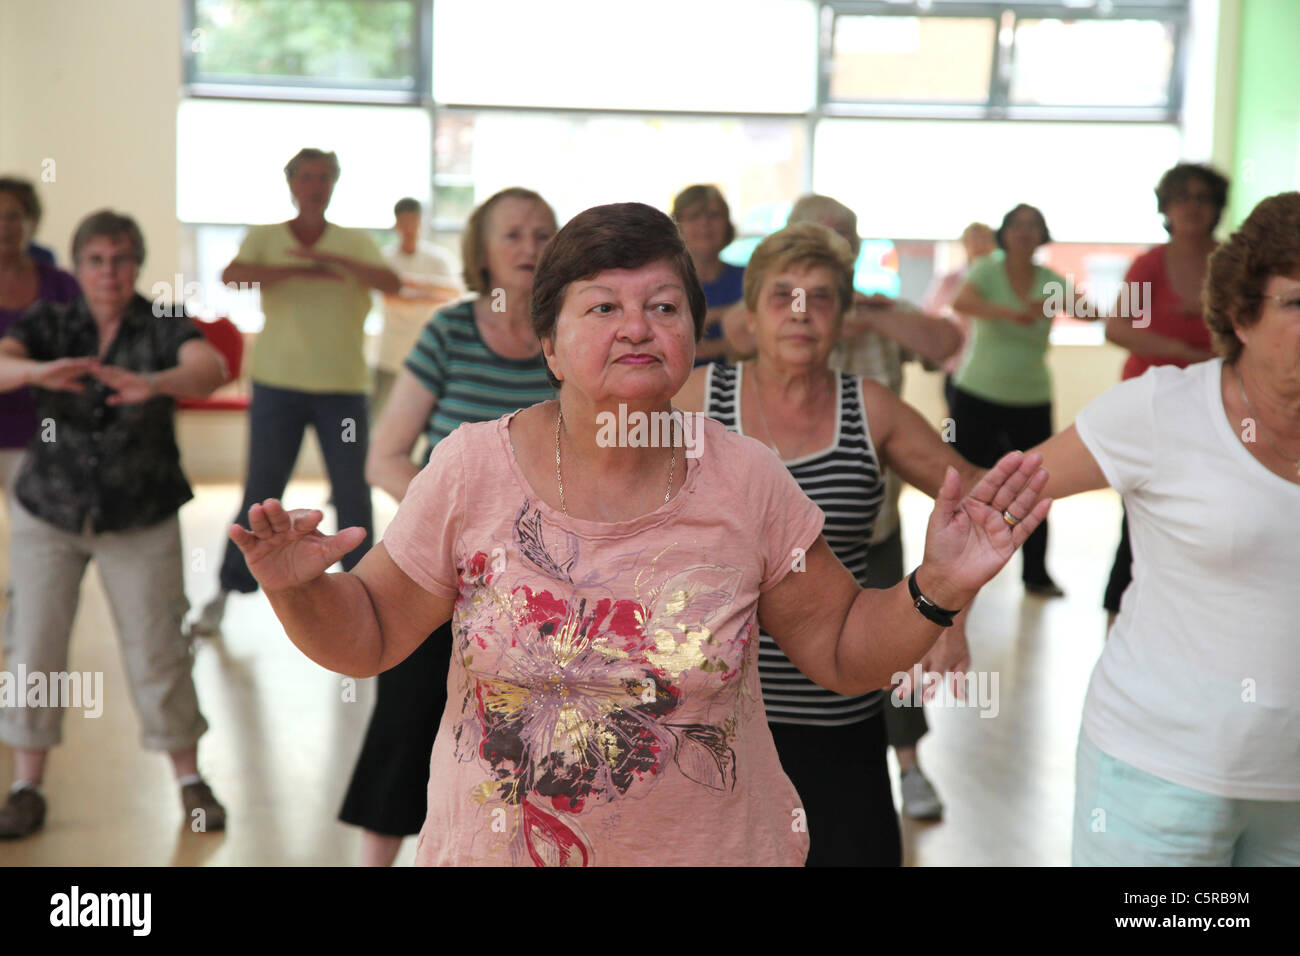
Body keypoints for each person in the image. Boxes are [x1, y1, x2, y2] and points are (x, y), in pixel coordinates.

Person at [227, 201, 1050, 866]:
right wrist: (298, 590)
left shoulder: (747, 478)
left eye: (663, 307)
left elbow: (840, 648)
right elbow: (369, 633)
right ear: (549, 346)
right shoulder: (471, 468)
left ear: (691, 333)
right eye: (603, 307)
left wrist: (939, 586)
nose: (637, 327)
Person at [674, 222, 981, 864]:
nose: (800, 311)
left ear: (843, 319)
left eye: (820, 297)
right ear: (750, 316)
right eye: (781, 295)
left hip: (840, 712)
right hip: (714, 720)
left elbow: (977, 503)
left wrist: (949, 612)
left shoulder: (869, 408)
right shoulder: (701, 401)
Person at [1025, 191, 1300, 865]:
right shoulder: (1159, 411)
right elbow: (1000, 503)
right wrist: (941, 616)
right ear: (1241, 315)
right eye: (1298, 303)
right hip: (1159, 780)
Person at [340, 187, 557, 866]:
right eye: (513, 234)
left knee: (531, 747)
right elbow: (384, 457)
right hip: (441, 573)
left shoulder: (569, 340)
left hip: (544, 585)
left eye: (543, 234)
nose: (529, 247)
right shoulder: (450, 331)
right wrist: (462, 527)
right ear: (482, 252)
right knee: (405, 724)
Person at [0, 210, 229, 838]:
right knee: (34, 647)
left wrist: (155, 383)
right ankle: (26, 787)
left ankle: (190, 780)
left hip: (140, 512)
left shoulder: (162, 321)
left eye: (122, 259)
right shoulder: (49, 322)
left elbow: (211, 368)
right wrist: (36, 372)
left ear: (137, 264)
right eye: (97, 260)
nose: (109, 272)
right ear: (77, 266)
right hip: (49, 510)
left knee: (159, 646)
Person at [191, 148, 400, 636]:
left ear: (334, 184)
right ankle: (225, 590)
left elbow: (392, 283)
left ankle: (369, 598)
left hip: (343, 388)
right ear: (291, 184)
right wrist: (293, 270)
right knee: (261, 491)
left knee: (352, 491)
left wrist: (335, 261)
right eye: (306, 176)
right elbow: (230, 276)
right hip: (277, 385)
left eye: (324, 176)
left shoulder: (355, 241)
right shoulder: (266, 238)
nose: (315, 185)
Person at [1101, 164, 1227, 625]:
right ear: (1166, 207)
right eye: (1182, 197)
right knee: (1139, 517)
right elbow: (1117, 328)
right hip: (1150, 406)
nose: (1192, 206)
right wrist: (1183, 352)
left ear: (1216, 207)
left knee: (1209, 514)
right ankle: (1119, 624)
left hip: (1217, 407)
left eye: (1203, 197)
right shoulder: (1150, 264)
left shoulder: (1232, 262)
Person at [950, 203, 1094, 598]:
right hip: (976, 392)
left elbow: (1091, 313)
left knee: (1035, 485)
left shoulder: (1050, 281)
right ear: (1005, 232)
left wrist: (1051, 303)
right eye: (1018, 225)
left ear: (1042, 234)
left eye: (1034, 226)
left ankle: (1035, 574)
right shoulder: (986, 270)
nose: (1025, 232)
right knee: (964, 479)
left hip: (1030, 397)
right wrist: (1011, 312)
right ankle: (955, 566)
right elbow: (961, 303)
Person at [0, 178, 81, 531]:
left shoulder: (62, 284)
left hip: (40, 433)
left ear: (32, 222)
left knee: (35, 534)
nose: (4, 226)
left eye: (13, 216)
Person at [373, 197, 460, 416]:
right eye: (405, 222)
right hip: (390, 353)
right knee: (376, 414)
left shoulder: (437, 259)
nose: (410, 229)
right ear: (396, 223)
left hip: (429, 354)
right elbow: (388, 296)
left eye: (414, 222)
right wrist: (429, 294)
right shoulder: (385, 258)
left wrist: (409, 284)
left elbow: (453, 292)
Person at [922, 222, 997, 412]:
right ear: (964, 244)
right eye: (973, 240)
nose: (979, 245)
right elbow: (929, 314)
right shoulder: (951, 280)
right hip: (959, 365)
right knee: (956, 423)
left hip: (997, 367)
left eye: (984, 239)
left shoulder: (1007, 280)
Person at [672, 185, 743, 365]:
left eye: (714, 215)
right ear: (677, 226)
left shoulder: (750, 278)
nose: (704, 223)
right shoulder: (661, 283)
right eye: (694, 216)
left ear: (727, 224)